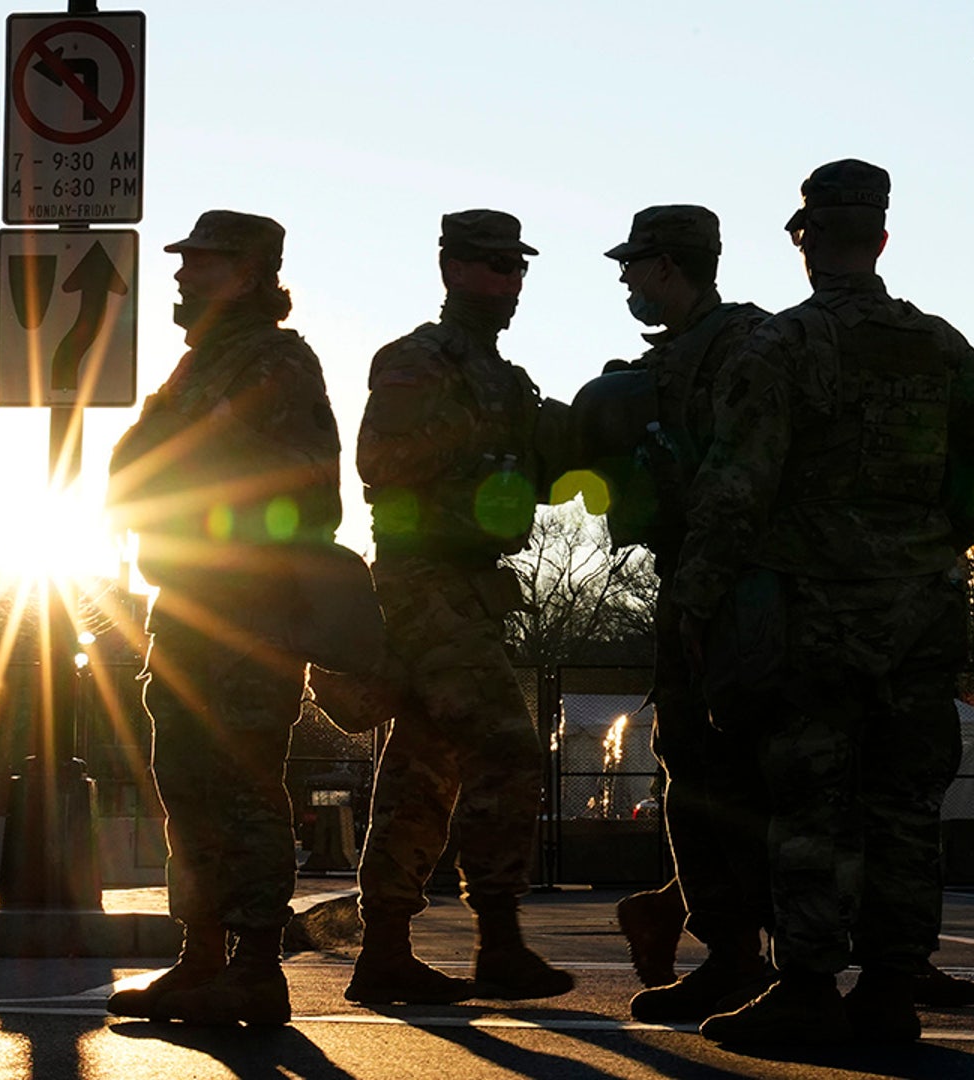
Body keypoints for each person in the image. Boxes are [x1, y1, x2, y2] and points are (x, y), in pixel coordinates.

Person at [671, 160, 974, 1045]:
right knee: (906, 803)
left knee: (811, 798)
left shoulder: (781, 347)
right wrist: (941, 534)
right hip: (919, 608)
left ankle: (804, 985)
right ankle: (889, 986)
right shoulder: (938, 344)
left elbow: (736, 488)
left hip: (813, 607)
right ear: (878, 238)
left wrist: (696, 598)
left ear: (805, 244)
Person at [104, 209, 343, 1025]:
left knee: (244, 783)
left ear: (247, 273)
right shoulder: (198, 367)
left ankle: (254, 966)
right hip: (188, 608)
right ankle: (199, 955)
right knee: (186, 779)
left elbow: (310, 488)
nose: (180, 274)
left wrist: (198, 469)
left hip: (251, 612)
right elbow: (127, 471)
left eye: (200, 263)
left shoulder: (278, 361)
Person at [347, 209, 575, 1005]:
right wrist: (479, 442)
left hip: (472, 584)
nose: (505, 283)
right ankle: (500, 939)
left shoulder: (506, 379)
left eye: (515, 268)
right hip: (422, 579)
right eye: (488, 266)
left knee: (425, 765)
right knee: (506, 745)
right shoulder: (418, 359)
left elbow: (530, 479)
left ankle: (383, 950)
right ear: (450, 269)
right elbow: (379, 461)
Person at [586, 205, 779, 1023]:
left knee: (705, 772)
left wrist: (696, 601)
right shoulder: (716, 348)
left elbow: (739, 483)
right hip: (733, 584)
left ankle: (735, 955)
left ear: (668, 266)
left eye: (634, 265)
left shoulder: (730, 349)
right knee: (723, 774)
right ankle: (712, 933)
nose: (627, 279)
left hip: (726, 590)